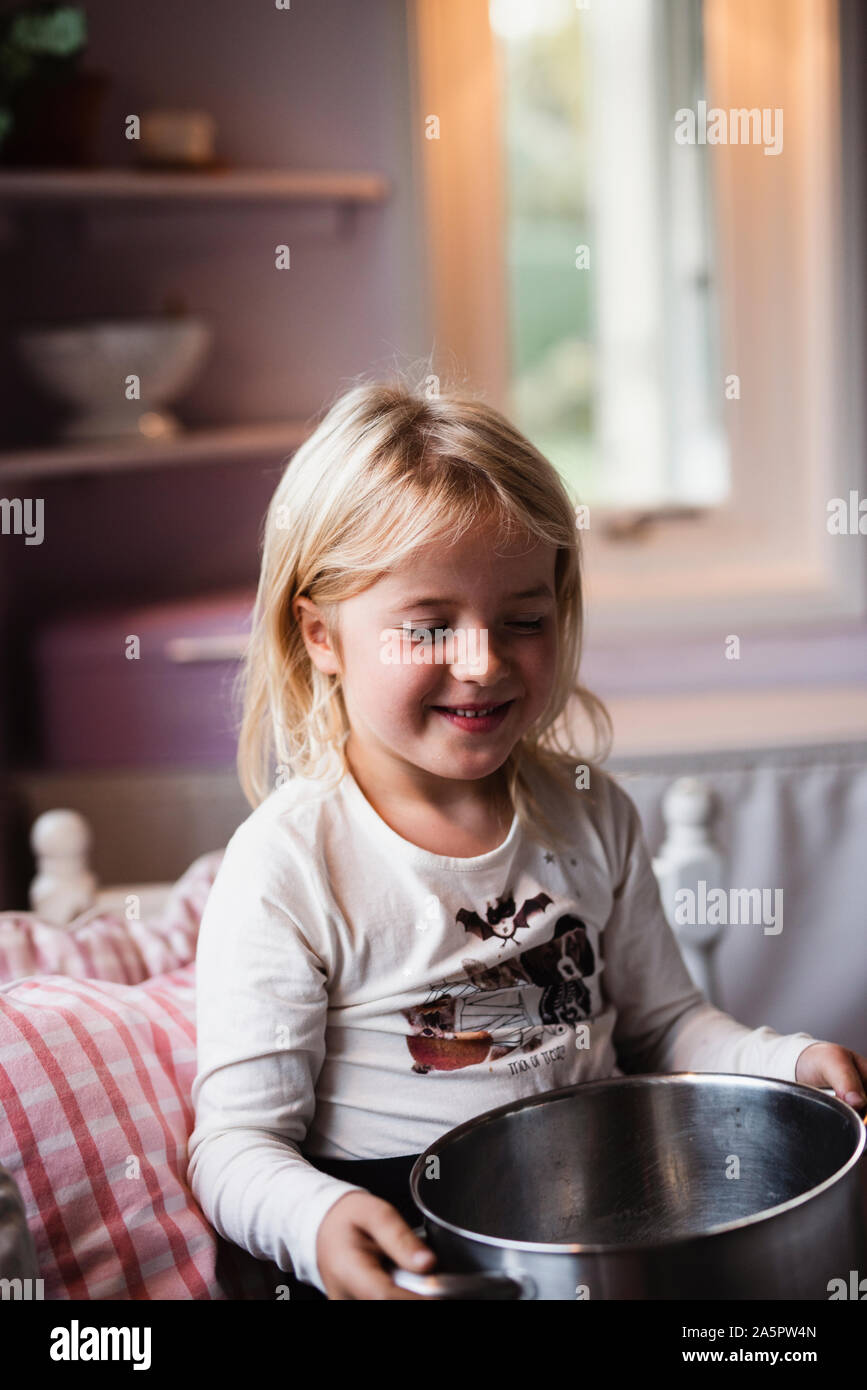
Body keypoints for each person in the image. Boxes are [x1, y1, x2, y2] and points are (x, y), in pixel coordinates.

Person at [187, 374, 867, 1301]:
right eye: (428, 628)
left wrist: (783, 1062)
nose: (483, 661)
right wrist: (313, 1224)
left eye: (523, 619)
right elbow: (234, 1147)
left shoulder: (588, 811)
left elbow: (665, 1027)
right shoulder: (290, 867)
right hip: (408, 1252)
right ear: (323, 636)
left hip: (601, 1220)